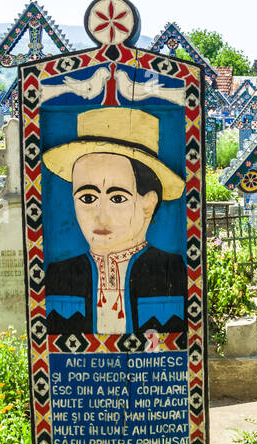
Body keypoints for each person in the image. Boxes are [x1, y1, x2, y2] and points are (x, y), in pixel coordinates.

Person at [42, 108, 186, 337]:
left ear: (148, 203)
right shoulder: (59, 274)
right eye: (87, 198)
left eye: (118, 198)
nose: (101, 216)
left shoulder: (173, 270)